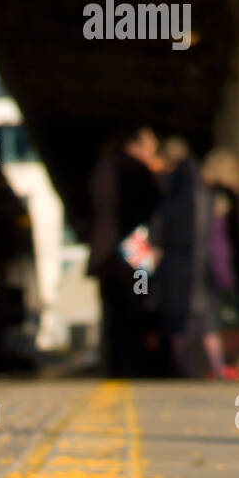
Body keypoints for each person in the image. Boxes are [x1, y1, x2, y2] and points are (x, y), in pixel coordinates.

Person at [149, 139, 232, 379]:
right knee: (209, 322)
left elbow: (155, 239)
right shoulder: (211, 200)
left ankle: (182, 370)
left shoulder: (168, 201)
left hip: (175, 269)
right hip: (204, 267)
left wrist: (142, 282)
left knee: (178, 323)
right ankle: (217, 367)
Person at [87, 126, 162, 377]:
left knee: (110, 314)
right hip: (133, 255)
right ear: (137, 145)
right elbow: (153, 208)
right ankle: (131, 366)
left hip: (103, 254)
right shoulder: (138, 170)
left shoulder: (102, 168)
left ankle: (110, 366)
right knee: (133, 312)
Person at [202, 147, 239, 369]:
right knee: (230, 315)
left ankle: (216, 364)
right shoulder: (227, 198)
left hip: (209, 262)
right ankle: (226, 363)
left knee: (214, 315)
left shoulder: (204, 196)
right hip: (225, 263)